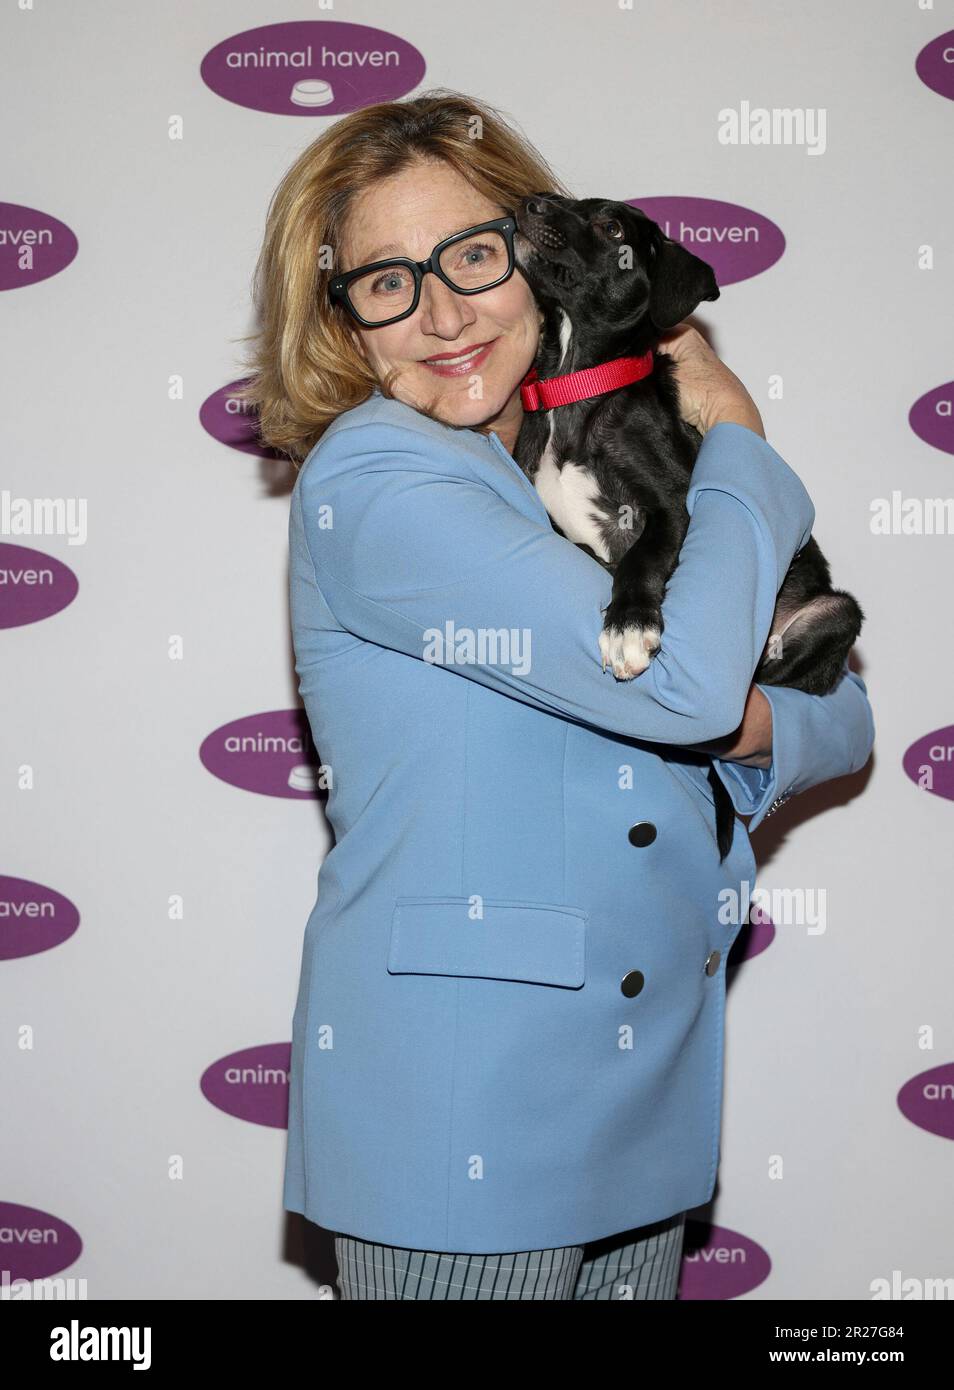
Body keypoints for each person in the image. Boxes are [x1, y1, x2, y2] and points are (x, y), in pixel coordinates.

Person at [239, 90, 875, 1300]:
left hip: (641, 1080)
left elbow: (839, 708)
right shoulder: (381, 480)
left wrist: (751, 719)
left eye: (474, 256)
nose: (443, 313)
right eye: (385, 281)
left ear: (542, 251)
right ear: (343, 319)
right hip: (467, 1101)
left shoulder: (562, 456)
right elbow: (691, 684)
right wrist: (734, 434)